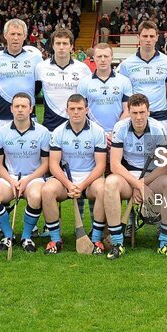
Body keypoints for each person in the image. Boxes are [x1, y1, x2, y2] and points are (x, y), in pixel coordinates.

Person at [104, 93, 167, 259]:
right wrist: (137, 185)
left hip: (152, 175)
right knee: (110, 183)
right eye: (134, 113)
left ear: (148, 112)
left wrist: (143, 184)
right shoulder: (120, 127)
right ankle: (117, 243)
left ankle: (165, 243)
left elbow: (165, 166)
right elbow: (115, 165)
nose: (138, 117)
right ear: (129, 113)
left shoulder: (158, 129)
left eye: (142, 112)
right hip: (127, 175)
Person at [41, 94, 108, 255]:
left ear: (87, 110)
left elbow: (100, 165)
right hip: (65, 180)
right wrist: (69, 184)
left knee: (103, 189)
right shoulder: (58, 132)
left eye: (79, 108)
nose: (76, 112)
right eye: (72, 109)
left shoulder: (97, 131)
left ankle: (96, 239)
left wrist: (82, 185)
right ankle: (55, 239)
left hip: (90, 180)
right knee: (47, 190)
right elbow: (53, 165)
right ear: (67, 111)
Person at [0, 92, 51, 254]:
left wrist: (27, 180)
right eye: (17, 106)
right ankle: (8, 235)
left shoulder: (43, 132)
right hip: (10, 177)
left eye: (24, 106)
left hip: (34, 177)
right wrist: (11, 180)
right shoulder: (1, 132)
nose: (20, 109)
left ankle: (26, 237)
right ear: (11, 109)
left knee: (36, 196)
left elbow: (45, 164)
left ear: (31, 109)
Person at [0, 18, 43, 131]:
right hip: (2, 119)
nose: (15, 38)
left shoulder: (36, 59)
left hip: (29, 118)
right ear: (5, 35)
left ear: (24, 36)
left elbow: (39, 88)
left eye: (19, 34)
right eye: (12, 34)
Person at [117, 20, 167, 123]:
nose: (148, 40)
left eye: (151, 36)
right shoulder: (126, 64)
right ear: (138, 37)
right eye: (145, 36)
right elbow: (124, 96)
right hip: (137, 117)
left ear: (157, 37)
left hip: (161, 117)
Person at [35, 28, 93, 132]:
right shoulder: (41, 67)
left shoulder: (83, 69)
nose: (61, 47)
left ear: (71, 46)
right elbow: (34, 93)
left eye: (65, 43)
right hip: (51, 126)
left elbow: (90, 98)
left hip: (77, 126)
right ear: (53, 46)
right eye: (58, 43)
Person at [78, 43, 133, 134]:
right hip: (93, 133)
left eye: (106, 56)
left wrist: (115, 131)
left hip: (118, 133)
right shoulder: (84, 82)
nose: (103, 60)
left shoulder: (124, 81)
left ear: (112, 58)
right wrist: (96, 132)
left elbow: (128, 109)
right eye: (99, 56)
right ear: (94, 58)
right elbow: (81, 111)